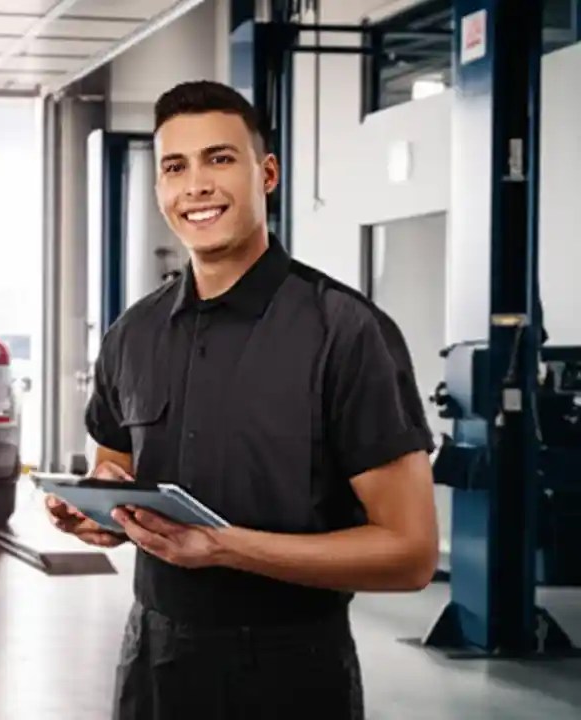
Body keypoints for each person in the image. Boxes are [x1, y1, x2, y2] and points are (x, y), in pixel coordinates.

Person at [44, 80, 439, 720]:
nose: (196, 185)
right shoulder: (132, 335)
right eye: (176, 166)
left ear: (268, 173)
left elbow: (410, 553)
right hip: (153, 664)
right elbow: (112, 475)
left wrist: (224, 547)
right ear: (161, 190)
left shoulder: (345, 331)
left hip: (293, 673)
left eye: (219, 159)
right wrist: (95, 513)